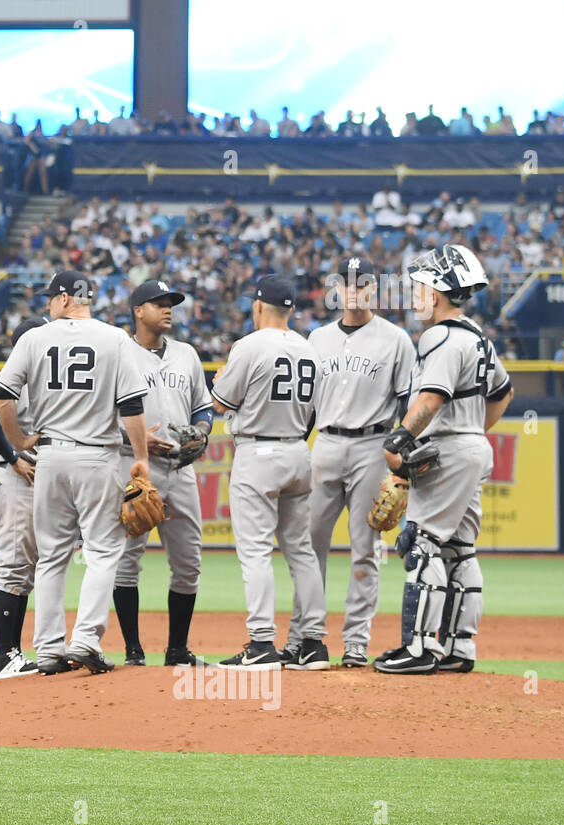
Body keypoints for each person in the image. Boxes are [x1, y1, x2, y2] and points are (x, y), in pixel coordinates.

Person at [0, 269, 164, 675]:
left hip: (50, 457)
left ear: (67, 298)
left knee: (51, 555)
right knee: (103, 551)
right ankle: (86, 639)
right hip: (96, 455)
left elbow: (2, 397)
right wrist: (140, 456)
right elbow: (132, 406)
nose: (49, 304)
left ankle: (49, 649)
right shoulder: (114, 337)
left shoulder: (35, 338)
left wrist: (19, 441)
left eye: (53, 297)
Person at [374, 246, 513, 674]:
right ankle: (458, 647)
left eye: (419, 286)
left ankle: (417, 649)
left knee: (421, 543)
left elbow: (431, 399)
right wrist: (472, 433)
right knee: (459, 551)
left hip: (449, 448)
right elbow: (504, 393)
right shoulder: (476, 334)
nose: (415, 294)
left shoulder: (440, 335)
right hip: (471, 445)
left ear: (435, 293)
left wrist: (398, 442)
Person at [285, 257, 416, 668]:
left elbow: (407, 403)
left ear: (375, 289)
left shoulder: (396, 340)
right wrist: (295, 447)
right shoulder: (316, 339)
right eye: (348, 283)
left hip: (372, 447)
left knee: (365, 548)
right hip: (325, 443)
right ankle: (303, 636)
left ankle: (356, 641)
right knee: (309, 547)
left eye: (364, 284)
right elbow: (304, 406)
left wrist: (400, 460)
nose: (356, 290)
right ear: (336, 288)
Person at [210, 276, 328, 670]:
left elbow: (221, 402)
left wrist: (220, 383)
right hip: (298, 449)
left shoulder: (250, 345)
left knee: (256, 552)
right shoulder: (308, 348)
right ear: (291, 309)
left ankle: (261, 643)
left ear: (259, 307)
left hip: (258, 452)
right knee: (302, 552)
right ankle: (313, 644)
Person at [114, 280, 213, 667]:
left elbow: (202, 408)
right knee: (126, 559)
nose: (168, 309)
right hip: (133, 466)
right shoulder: (119, 353)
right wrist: (134, 439)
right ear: (138, 311)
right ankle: (133, 651)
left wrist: (202, 433)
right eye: (159, 303)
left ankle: (177, 650)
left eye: (171, 303)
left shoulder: (187, 354)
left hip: (180, 467)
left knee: (189, 562)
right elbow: (102, 413)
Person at [0, 316, 48, 680]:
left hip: (33, 482)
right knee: (15, 568)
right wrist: (15, 457)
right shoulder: (16, 377)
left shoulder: (42, 381)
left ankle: (19, 653)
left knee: (29, 568)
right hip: (13, 481)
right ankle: (4, 657)